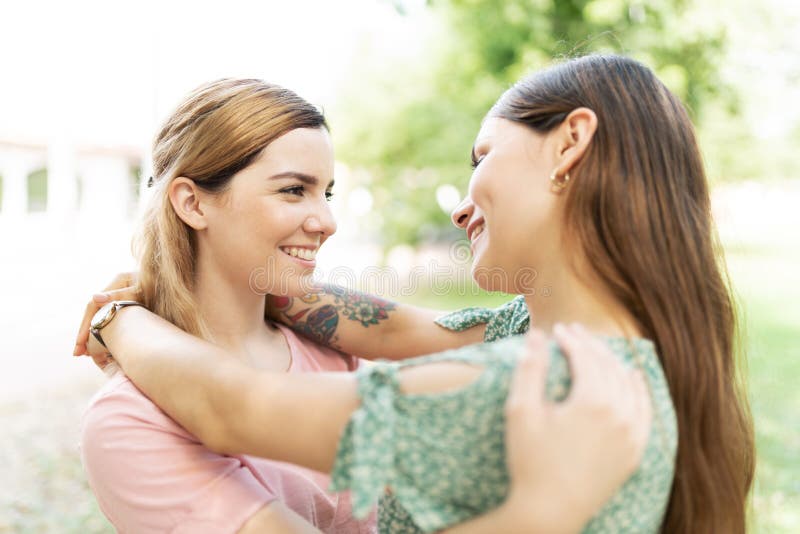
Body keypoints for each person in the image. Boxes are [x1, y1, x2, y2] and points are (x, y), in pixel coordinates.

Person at [78, 54, 754, 533]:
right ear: (192, 203)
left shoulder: (508, 388)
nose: (463, 204)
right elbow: (396, 329)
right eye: (295, 188)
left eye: (483, 156)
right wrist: (200, 276)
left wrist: (117, 318)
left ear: (570, 144)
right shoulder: (606, 346)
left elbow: (234, 409)